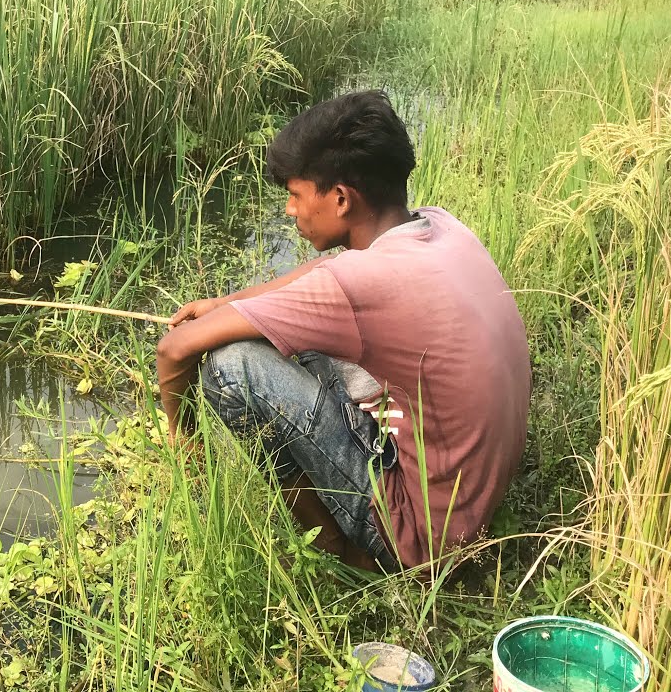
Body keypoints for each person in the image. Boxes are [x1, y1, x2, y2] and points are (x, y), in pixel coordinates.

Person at [155, 90, 530, 571]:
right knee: (282, 333)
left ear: (340, 198)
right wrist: (223, 305)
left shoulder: (360, 285)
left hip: (420, 537)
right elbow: (331, 272)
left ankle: (343, 554)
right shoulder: (439, 228)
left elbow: (174, 350)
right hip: (471, 498)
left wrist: (183, 443)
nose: (290, 211)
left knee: (231, 368)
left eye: (295, 195)